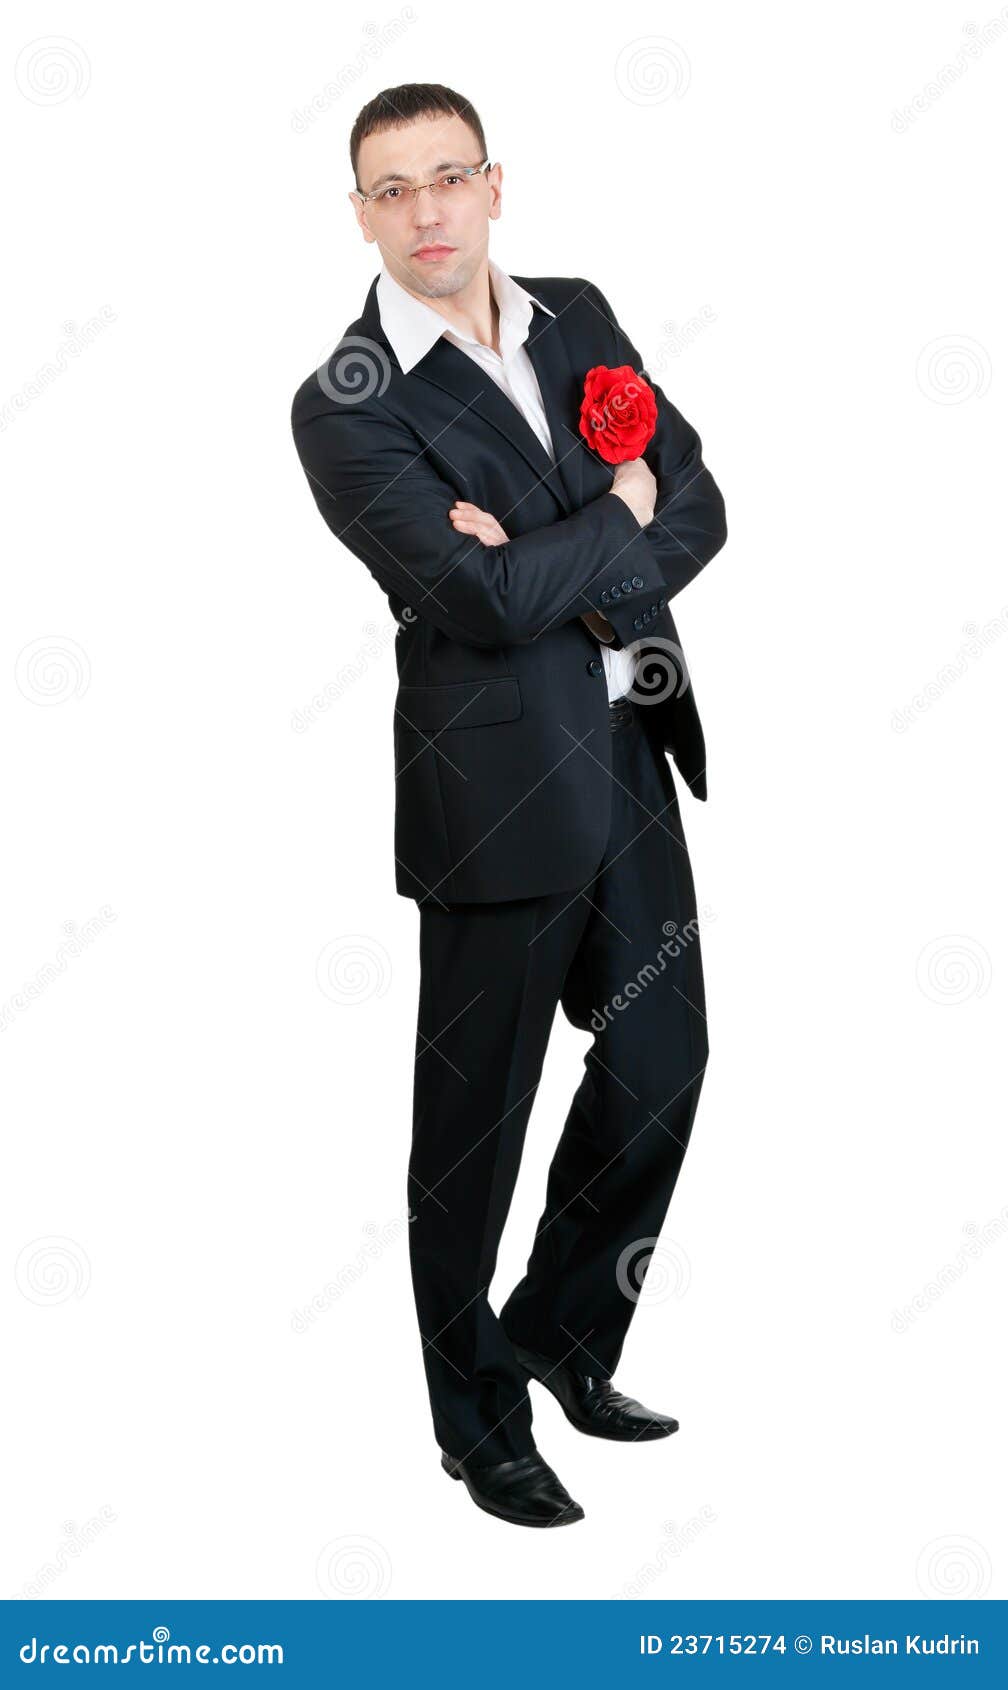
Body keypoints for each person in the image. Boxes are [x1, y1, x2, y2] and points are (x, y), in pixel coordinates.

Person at [290, 82, 727, 1528]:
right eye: (393, 189)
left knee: (662, 1063)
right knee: (472, 1128)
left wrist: (548, 545)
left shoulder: (577, 316)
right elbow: (474, 600)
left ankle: (558, 1333)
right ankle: (473, 1419)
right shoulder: (345, 402)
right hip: (489, 794)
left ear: (493, 184)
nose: (427, 211)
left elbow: (705, 504)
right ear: (361, 215)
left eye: (449, 176)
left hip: (626, 749)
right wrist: (615, 507)